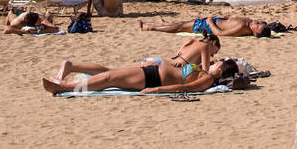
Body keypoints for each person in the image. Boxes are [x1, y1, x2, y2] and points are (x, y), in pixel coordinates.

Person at [42, 52, 230, 96]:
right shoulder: (204, 73)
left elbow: (184, 88)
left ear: (220, 70)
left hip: (152, 79)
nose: (215, 62)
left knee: (108, 79)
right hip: (152, 71)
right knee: (111, 74)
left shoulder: (206, 80)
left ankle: (63, 87)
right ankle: (71, 67)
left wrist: (155, 90)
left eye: (218, 63)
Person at [139, 14, 277, 38]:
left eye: (257, 25)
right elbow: (230, 19)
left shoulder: (242, 28)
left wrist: (211, 22)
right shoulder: (248, 21)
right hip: (215, 20)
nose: (256, 22)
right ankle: (167, 24)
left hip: (208, 25)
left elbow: (220, 34)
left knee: (181, 26)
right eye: (259, 22)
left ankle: (150, 27)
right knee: (184, 23)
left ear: (255, 33)